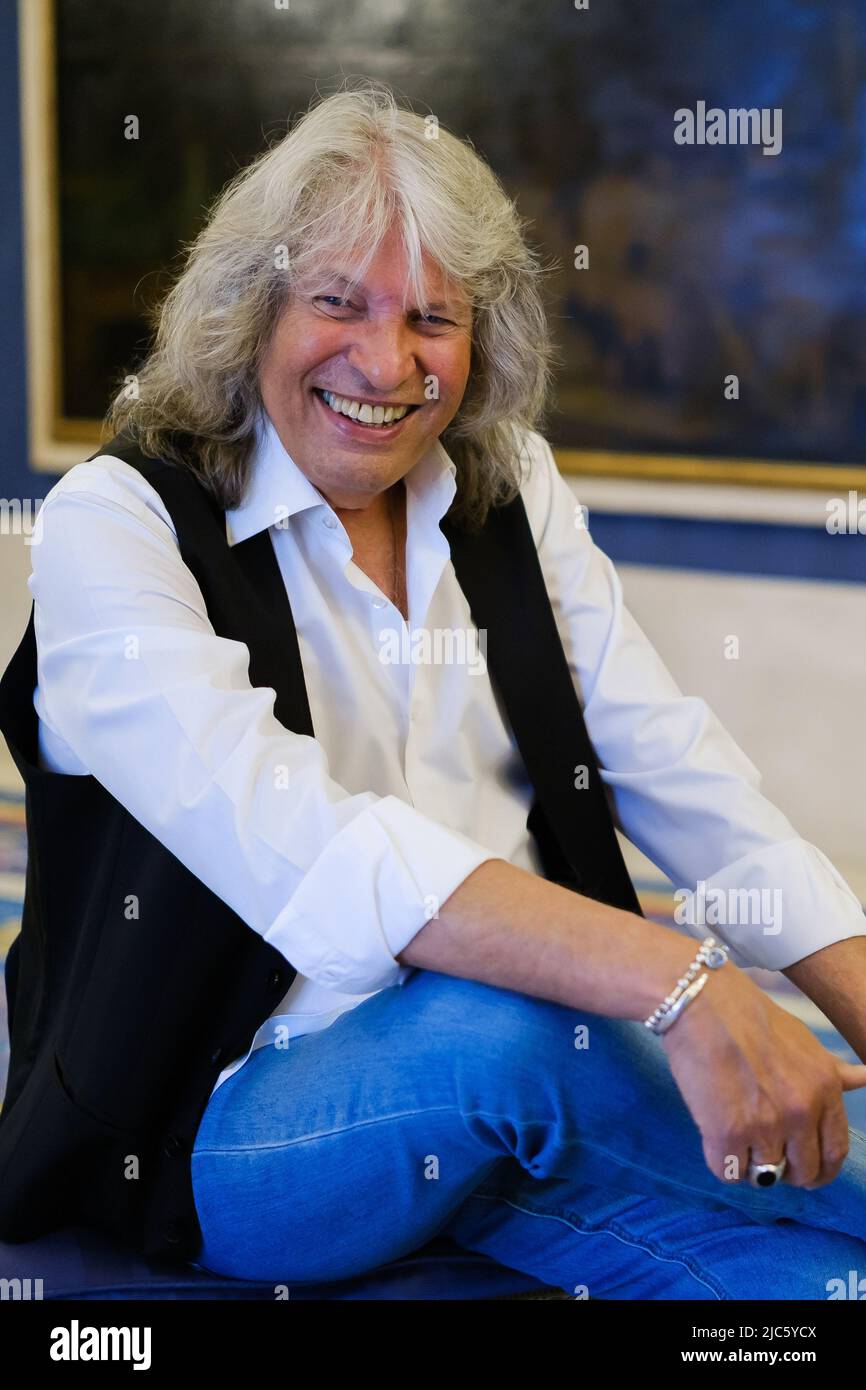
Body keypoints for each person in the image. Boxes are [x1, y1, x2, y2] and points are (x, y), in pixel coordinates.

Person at [7, 80, 866, 1299]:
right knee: (508, 1027)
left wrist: (853, 989)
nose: (385, 361)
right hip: (228, 1122)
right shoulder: (118, 522)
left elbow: (667, 762)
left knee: (785, 1287)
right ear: (253, 309)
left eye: (433, 319)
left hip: (531, 1087)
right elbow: (314, 848)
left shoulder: (505, 484)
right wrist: (682, 981)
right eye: (337, 303)